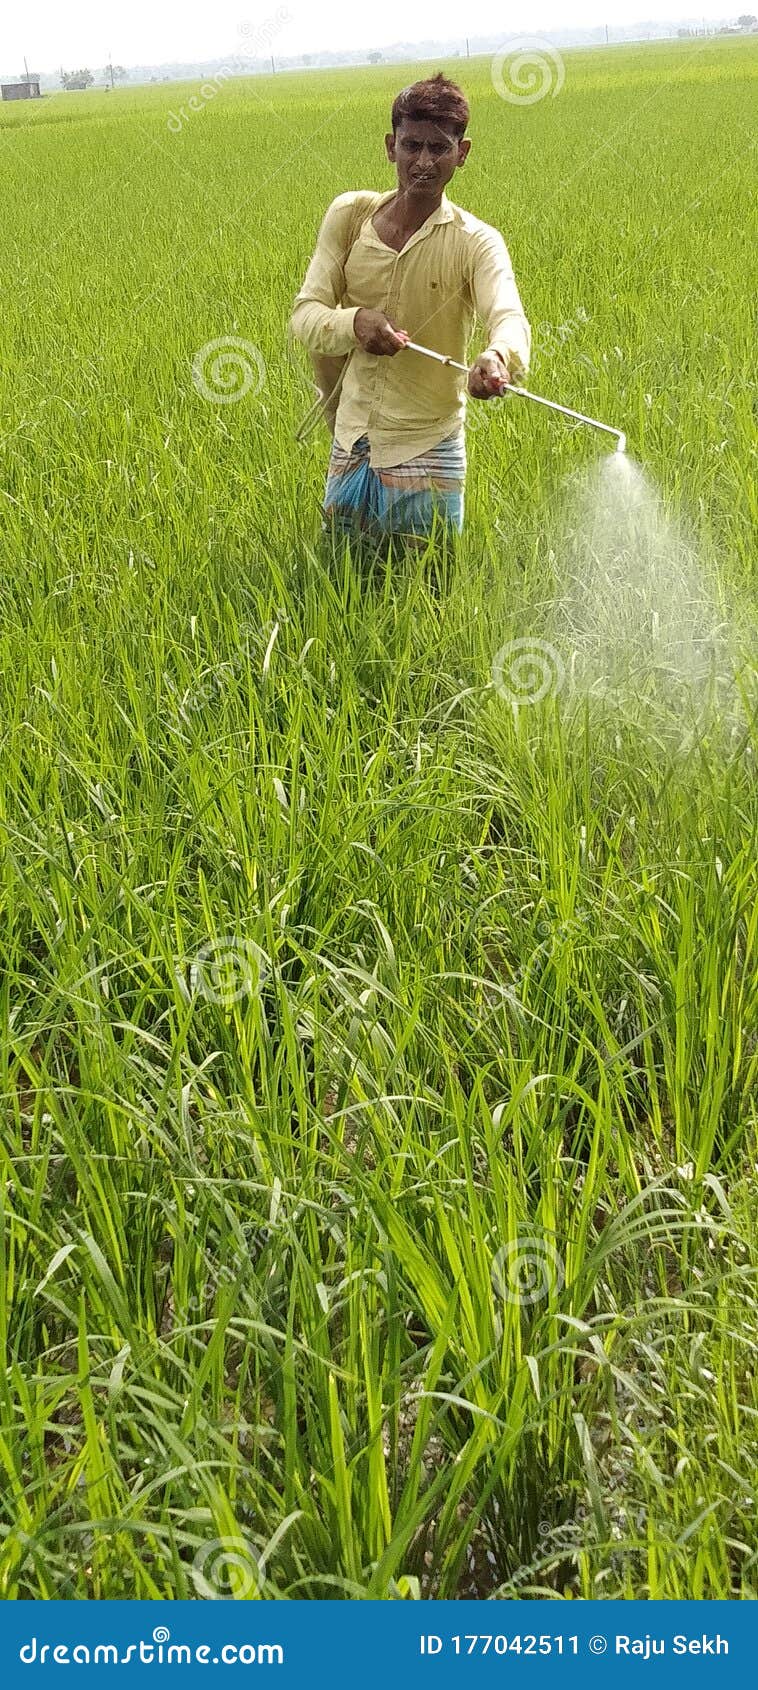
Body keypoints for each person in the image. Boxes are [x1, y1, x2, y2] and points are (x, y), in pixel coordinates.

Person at [289, 72, 531, 546]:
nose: (423, 162)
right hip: (352, 440)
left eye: (439, 148)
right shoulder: (349, 216)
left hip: (430, 444)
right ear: (390, 146)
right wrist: (354, 323)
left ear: (461, 155)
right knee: (340, 579)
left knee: (428, 588)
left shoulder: (476, 241)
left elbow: (509, 317)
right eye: (411, 145)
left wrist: (498, 357)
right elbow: (306, 316)